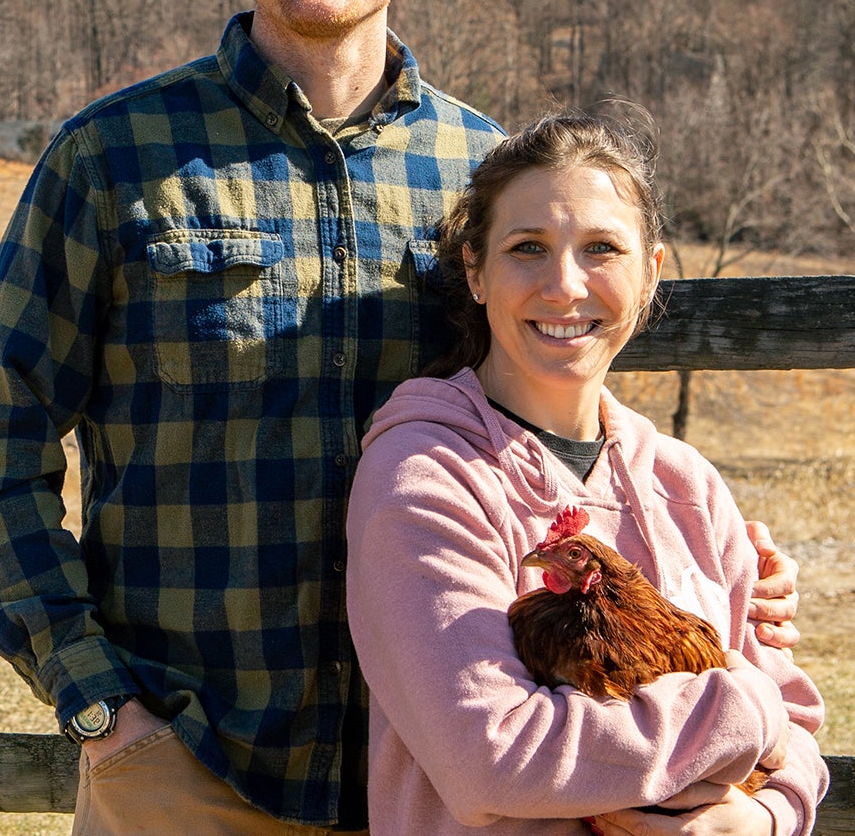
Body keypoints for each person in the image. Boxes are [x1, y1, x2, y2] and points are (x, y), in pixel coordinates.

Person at [0, 0, 801, 835]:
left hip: (452, 774)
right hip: (192, 756)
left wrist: (704, 566)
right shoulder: (113, 159)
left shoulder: (489, 174)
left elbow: (548, 416)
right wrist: (99, 704)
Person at [344, 112, 826, 835]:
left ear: (649, 275)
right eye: (527, 247)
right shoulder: (424, 476)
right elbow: (493, 754)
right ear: (475, 270)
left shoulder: (687, 485)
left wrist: (759, 819)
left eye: (602, 247)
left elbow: (799, 728)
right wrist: (746, 710)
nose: (566, 285)